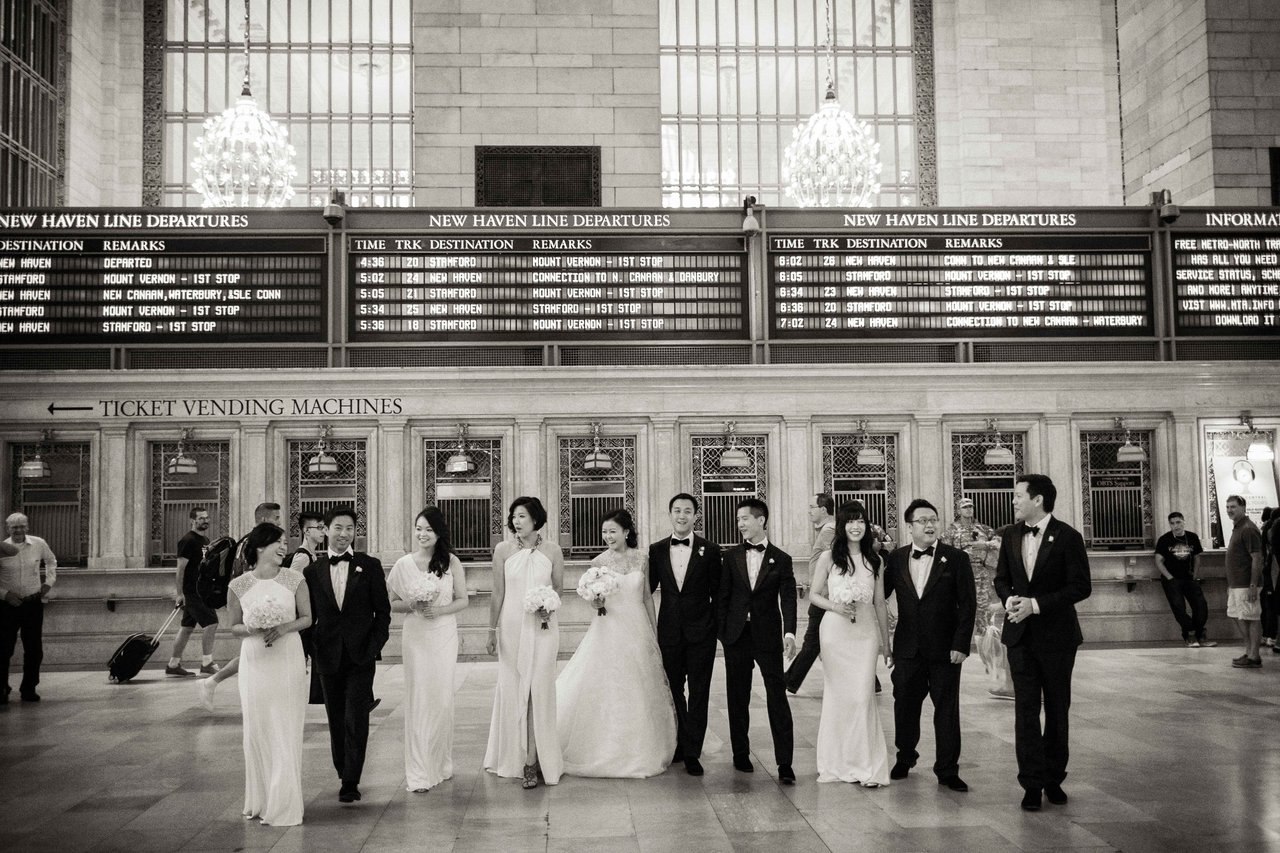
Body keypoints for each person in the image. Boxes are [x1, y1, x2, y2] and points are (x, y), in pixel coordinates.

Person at [994, 474, 1092, 812]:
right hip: (1019, 637)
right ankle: (1031, 783)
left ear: (1038, 500)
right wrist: (1008, 600)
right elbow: (1001, 578)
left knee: (1056, 708)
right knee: (1025, 711)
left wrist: (1036, 605)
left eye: (1019, 495)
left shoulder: (1068, 537)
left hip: (1057, 638)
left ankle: (1054, 779)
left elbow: (1081, 587)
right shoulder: (1009, 535)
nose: (1014, 500)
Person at [557, 508, 676, 777]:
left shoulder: (641, 558)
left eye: (613, 531)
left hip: (636, 629)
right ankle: (605, 746)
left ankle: (641, 746)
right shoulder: (598, 561)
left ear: (626, 532)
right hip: (608, 628)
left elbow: (646, 596)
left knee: (639, 685)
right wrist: (595, 601)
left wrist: (653, 630)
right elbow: (593, 599)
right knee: (608, 685)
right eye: (604, 532)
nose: (608, 536)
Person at [884, 499, 976, 792]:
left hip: (945, 650)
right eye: (922, 521)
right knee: (905, 707)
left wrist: (961, 644)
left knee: (947, 711)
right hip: (908, 648)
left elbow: (968, 604)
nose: (930, 525)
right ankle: (905, 757)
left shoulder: (957, 558)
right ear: (909, 527)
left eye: (933, 519)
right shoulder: (896, 559)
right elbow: (878, 595)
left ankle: (948, 769)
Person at [304, 506, 391, 804]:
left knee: (356, 717)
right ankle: (343, 769)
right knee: (336, 718)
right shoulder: (312, 571)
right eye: (338, 528)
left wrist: (373, 647)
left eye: (350, 529)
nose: (344, 534)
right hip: (327, 656)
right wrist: (311, 649)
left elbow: (383, 613)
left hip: (361, 657)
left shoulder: (370, 565)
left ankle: (351, 781)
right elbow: (307, 616)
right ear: (326, 529)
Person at [227, 522, 311, 827]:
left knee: (285, 728)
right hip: (255, 661)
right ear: (259, 546)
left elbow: (307, 618)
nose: (283, 547)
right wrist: (253, 627)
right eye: (277, 542)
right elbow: (233, 626)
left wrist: (282, 627)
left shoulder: (294, 579)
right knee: (258, 730)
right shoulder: (239, 585)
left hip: (287, 657)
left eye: (284, 542)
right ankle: (261, 801)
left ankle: (285, 802)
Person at [808, 500, 892, 786]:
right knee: (839, 698)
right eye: (850, 522)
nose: (855, 526)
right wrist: (835, 607)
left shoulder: (875, 560)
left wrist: (886, 643)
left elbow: (880, 602)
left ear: (866, 526)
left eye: (860, 521)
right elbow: (814, 595)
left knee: (861, 697)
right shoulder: (830, 557)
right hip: (835, 633)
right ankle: (837, 763)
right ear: (842, 526)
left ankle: (866, 766)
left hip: (866, 633)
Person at [484, 497, 564, 788]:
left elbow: (558, 588)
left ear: (536, 519)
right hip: (512, 627)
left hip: (543, 628)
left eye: (522, 516)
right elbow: (497, 593)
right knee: (515, 688)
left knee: (537, 690)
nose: (516, 521)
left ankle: (534, 760)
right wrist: (491, 630)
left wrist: (549, 605)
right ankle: (517, 756)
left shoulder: (553, 550)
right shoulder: (502, 550)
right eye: (514, 516)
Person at [387, 506, 469, 792]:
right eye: (419, 528)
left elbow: (463, 600)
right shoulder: (403, 565)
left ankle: (441, 763)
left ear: (438, 533)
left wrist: (440, 609)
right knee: (420, 699)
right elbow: (391, 603)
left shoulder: (451, 562)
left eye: (428, 530)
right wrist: (413, 604)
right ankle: (420, 772)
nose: (422, 534)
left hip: (443, 634)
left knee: (442, 699)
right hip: (416, 637)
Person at [717, 497, 797, 784]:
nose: (740, 524)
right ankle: (740, 754)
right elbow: (722, 597)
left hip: (767, 635)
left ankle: (785, 763)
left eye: (745, 518)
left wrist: (789, 632)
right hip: (737, 636)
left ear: (761, 520)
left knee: (777, 697)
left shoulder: (782, 558)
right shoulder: (731, 556)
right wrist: (723, 634)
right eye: (738, 519)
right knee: (738, 696)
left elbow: (788, 599)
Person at [649, 493, 723, 776]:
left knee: (700, 693)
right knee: (673, 690)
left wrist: (713, 627)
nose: (682, 516)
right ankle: (680, 743)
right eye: (677, 511)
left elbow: (719, 593)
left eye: (687, 511)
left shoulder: (711, 550)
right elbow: (645, 591)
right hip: (669, 631)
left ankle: (694, 752)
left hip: (701, 632)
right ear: (670, 514)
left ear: (695, 516)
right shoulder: (656, 550)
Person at [198, 502, 283, 709]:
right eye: (276, 518)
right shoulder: (253, 543)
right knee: (256, 651)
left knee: (258, 651)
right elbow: (246, 575)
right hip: (254, 605)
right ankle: (213, 682)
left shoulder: (248, 541)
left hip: (255, 604)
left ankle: (213, 682)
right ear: (264, 519)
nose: (279, 522)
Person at [942, 498, 1011, 698]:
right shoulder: (951, 530)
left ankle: (990, 661)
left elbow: (1000, 544)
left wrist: (986, 544)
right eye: (964, 506)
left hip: (981, 576)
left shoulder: (983, 529)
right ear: (958, 509)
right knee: (955, 617)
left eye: (971, 506)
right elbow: (944, 552)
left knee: (983, 620)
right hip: (959, 576)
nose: (968, 509)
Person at [785, 493, 837, 694]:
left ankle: (790, 680)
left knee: (812, 641)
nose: (809, 511)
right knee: (816, 641)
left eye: (812, 507)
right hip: (824, 593)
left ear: (823, 510)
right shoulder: (828, 529)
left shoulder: (829, 530)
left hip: (823, 596)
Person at [0, 515, 50, 704]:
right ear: (7, 529)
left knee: (34, 648)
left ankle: (29, 688)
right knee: (4, 648)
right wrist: (5, 595)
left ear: (27, 527)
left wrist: (49, 583)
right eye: (14, 528)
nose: (18, 531)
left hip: (32, 603)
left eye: (21, 527)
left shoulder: (39, 544)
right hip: (7, 606)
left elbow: (52, 562)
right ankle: (2, 688)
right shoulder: (2, 549)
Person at [166, 507, 217, 677]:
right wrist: (179, 594)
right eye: (201, 518)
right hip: (193, 592)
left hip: (202, 590)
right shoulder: (188, 540)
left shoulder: (205, 540)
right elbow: (180, 569)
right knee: (211, 623)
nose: (205, 520)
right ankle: (207, 662)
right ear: (192, 521)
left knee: (187, 627)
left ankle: (173, 665)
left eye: (207, 517)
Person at [1154, 512, 1214, 648]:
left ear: (1184, 522)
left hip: (1189, 578)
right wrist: (1169, 577)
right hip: (1172, 579)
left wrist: (1195, 575)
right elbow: (1158, 560)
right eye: (1172, 523)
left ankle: (1200, 633)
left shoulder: (1192, 537)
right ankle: (1190, 633)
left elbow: (1198, 557)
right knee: (1179, 607)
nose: (1176, 526)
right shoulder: (1164, 539)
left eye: (1178, 522)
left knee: (1201, 606)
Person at [289, 511, 328, 706]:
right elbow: (290, 585)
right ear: (306, 531)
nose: (323, 532)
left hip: (311, 619)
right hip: (305, 620)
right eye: (319, 528)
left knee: (319, 656)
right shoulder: (302, 557)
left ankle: (320, 696)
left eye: (324, 527)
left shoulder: (312, 555)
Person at [1223, 494, 1264, 669]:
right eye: (1227, 507)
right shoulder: (1238, 527)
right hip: (1236, 584)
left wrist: (1253, 585)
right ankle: (1249, 651)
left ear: (1243, 507)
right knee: (1237, 616)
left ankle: (1254, 656)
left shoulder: (1248, 528)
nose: (1229, 510)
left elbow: (1257, 558)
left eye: (1233, 507)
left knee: (1251, 617)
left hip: (1247, 583)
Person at [1261, 507, 1276, 650]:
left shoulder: (1266, 530)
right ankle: (1272, 636)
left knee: (1268, 606)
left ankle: (1268, 635)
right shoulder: (1271, 530)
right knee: (1271, 607)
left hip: (1267, 575)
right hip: (1271, 575)